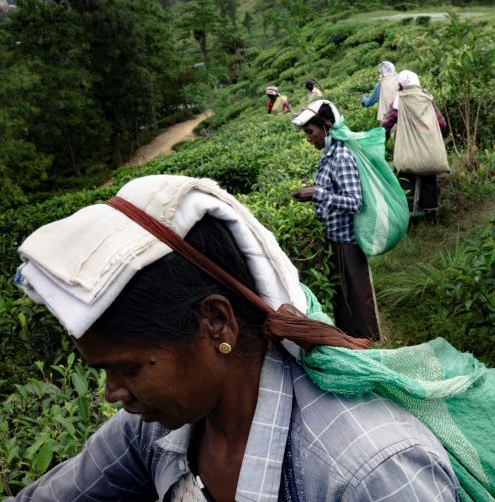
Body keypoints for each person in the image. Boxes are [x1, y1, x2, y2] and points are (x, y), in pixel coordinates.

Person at [9, 175, 460, 501]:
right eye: (105, 372)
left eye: (127, 368)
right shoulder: (152, 429)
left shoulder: (368, 472)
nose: (112, 394)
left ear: (217, 322)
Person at [291, 100, 380, 340]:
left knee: (357, 292)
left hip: (348, 237)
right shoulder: (328, 154)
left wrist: (316, 193)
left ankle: (368, 339)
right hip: (335, 235)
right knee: (344, 293)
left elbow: (354, 201)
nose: (308, 138)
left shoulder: (341, 156)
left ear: (327, 126)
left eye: (311, 132)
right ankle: (352, 337)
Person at [380, 70, 448, 218]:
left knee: (406, 180)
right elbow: (441, 123)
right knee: (429, 177)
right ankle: (431, 215)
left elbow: (385, 125)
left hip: (408, 151)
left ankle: (409, 216)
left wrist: (384, 139)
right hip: (429, 149)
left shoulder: (399, 101)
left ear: (401, 86)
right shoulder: (427, 99)